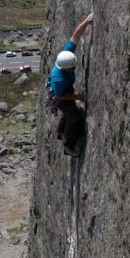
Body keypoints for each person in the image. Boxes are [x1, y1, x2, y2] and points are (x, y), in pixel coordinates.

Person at [50, 13, 93, 157]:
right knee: (75, 117)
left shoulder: (65, 55)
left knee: (69, 112)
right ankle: (68, 146)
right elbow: (62, 95)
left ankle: (61, 132)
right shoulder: (59, 80)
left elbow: (75, 37)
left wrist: (86, 21)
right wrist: (78, 97)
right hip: (61, 95)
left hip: (63, 91)